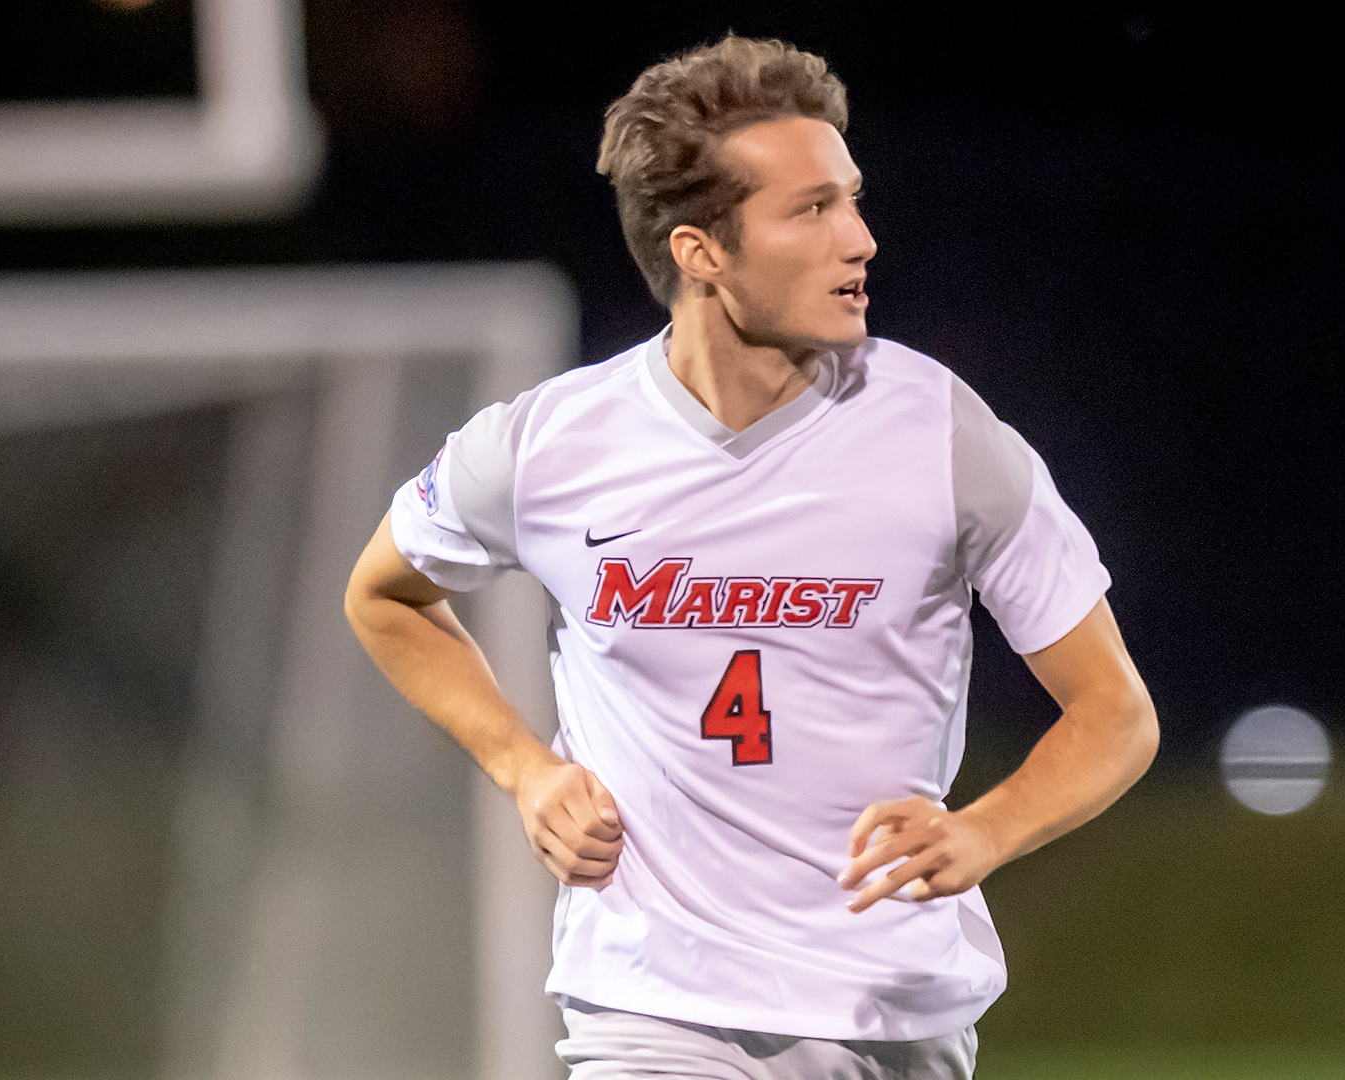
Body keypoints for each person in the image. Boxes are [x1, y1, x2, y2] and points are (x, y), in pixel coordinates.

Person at [344, 35, 1158, 1080]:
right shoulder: (550, 444)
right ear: (701, 253)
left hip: (890, 1011)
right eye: (811, 210)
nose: (860, 239)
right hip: (651, 1009)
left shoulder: (943, 435)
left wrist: (984, 833)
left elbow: (1115, 712)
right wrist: (524, 770)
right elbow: (386, 596)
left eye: (852, 199)